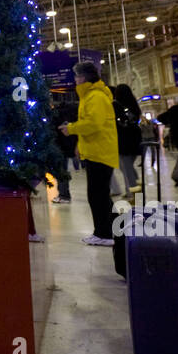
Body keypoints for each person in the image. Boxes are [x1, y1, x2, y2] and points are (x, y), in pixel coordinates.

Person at [57, 62, 117, 247]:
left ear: (83, 77)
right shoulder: (90, 95)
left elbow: (94, 123)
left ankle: (105, 233)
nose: (74, 80)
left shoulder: (95, 97)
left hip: (100, 153)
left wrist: (71, 129)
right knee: (99, 195)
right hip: (95, 151)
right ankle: (104, 231)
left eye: (76, 76)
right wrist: (79, 146)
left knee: (98, 195)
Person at [112, 83, 143, 194]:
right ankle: (136, 185)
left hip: (123, 139)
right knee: (128, 165)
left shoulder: (115, 105)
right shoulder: (134, 105)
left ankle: (133, 192)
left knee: (126, 167)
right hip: (135, 138)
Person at [49, 98, 78, 203]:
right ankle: (64, 194)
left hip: (59, 146)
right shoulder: (72, 113)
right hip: (71, 144)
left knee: (61, 171)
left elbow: (53, 131)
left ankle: (64, 195)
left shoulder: (55, 115)